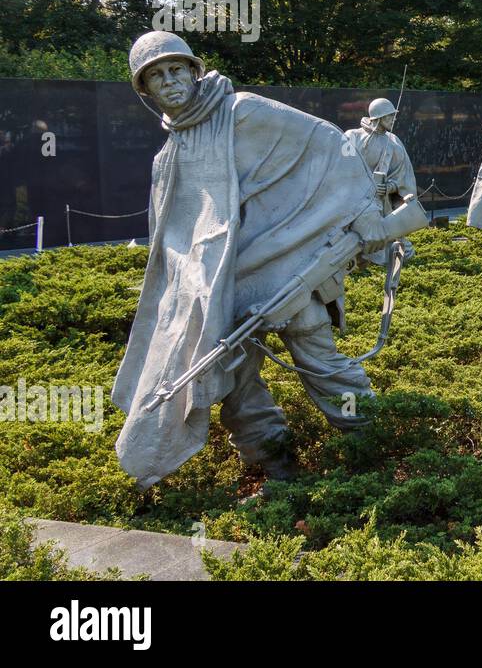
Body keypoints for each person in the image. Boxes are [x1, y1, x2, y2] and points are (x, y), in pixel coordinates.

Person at [112, 31, 395, 489]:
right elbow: (173, 246)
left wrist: (358, 218)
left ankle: (379, 454)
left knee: (323, 366)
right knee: (238, 393)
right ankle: (280, 471)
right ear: (145, 91)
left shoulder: (242, 111)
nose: (169, 81)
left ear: (194, 71)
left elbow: (326, 143)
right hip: (221, 295)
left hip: (288, 273)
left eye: (176, 69)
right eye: (156, 76)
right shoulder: (167, 159)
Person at [344, 98, 419, 264]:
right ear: (378, 118)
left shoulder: (393, 142)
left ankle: (389, 253)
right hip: (355, 199)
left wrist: (388, 187)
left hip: (381, 201)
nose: (393, 120)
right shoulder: (352, 136)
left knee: (393, 241)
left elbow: (402, 174)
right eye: (389, 117)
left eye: (393, 116)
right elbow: (342, 167)